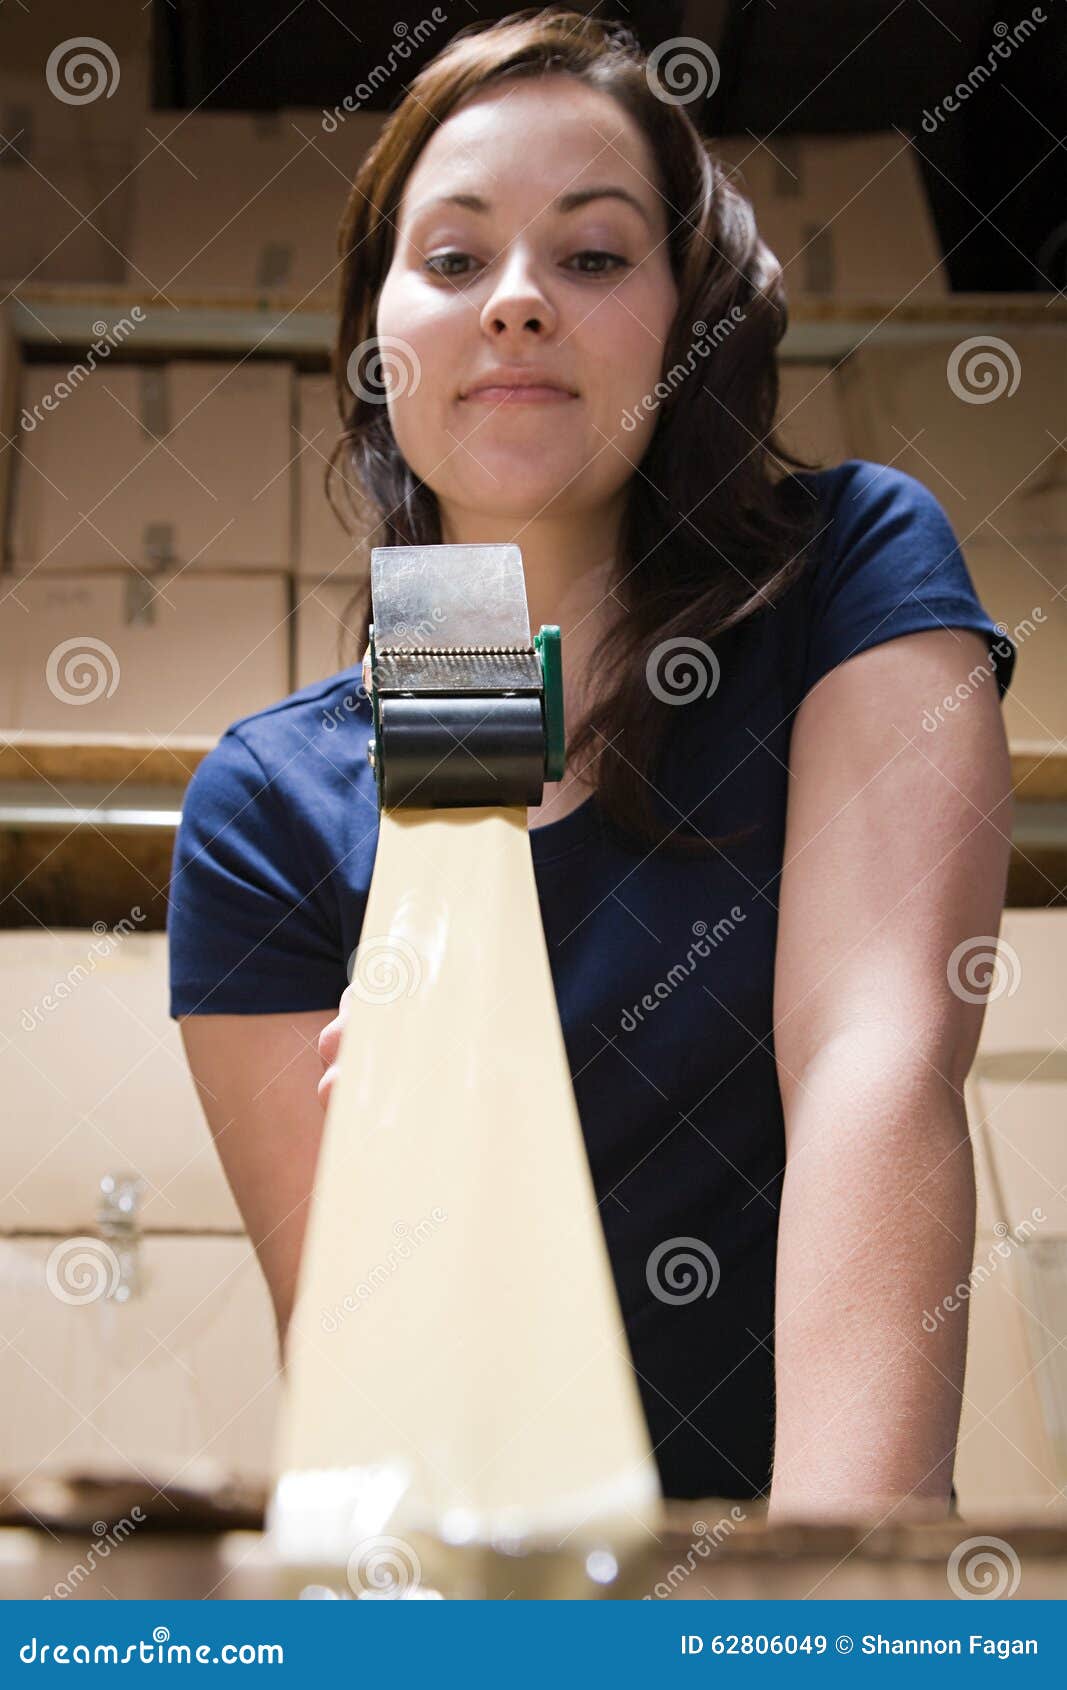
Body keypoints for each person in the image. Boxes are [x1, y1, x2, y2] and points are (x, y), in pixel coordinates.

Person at [168, 10, 1017, 1524]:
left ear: (688, 318)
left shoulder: (847, 573)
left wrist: (829, 1596)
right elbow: (374, 1403)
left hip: (795, 1560)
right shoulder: (271, 805)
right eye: (452, 258)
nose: (515, 304)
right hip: (500, 1595)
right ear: (378, 337)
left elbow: (873, 1065)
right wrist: (414, 1172)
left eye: (594, 254)